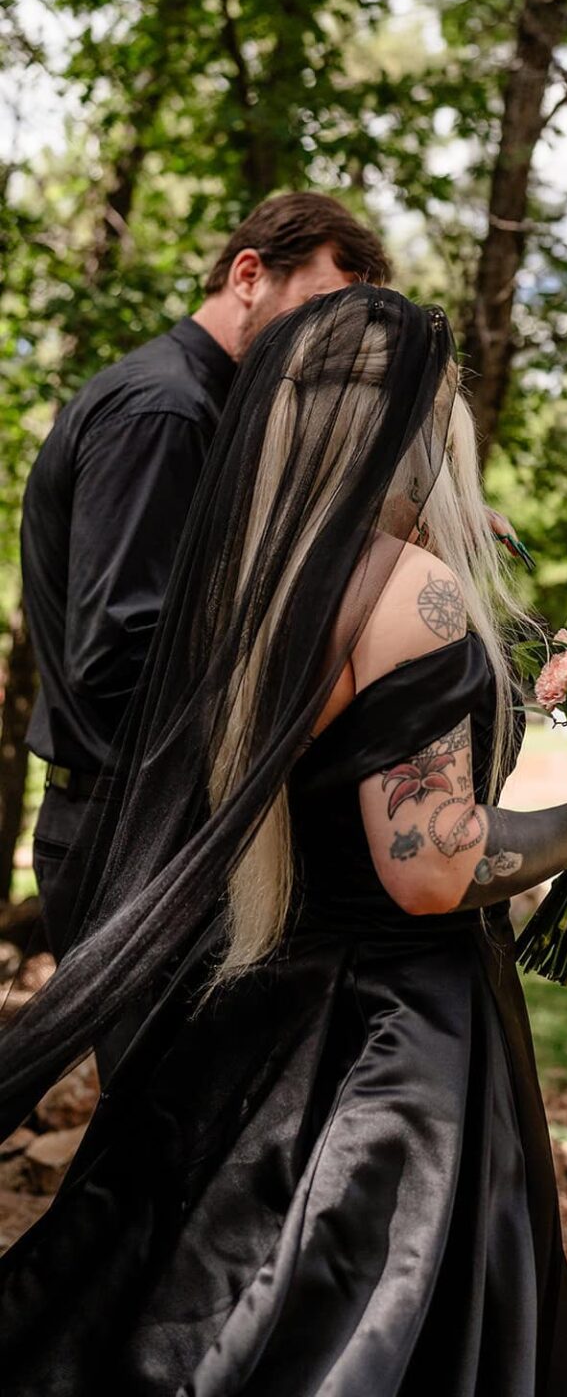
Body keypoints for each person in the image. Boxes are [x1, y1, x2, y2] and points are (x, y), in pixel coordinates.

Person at [0, 286, 567, 1394]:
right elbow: (432, 869)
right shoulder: (412, 595)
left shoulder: (251, 581)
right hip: (393, 1039)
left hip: (262, 1004)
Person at [21, 192, 391, 959]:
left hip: (154, 828)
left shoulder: (216, 410)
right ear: (248, 274)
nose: (324, 339)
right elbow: (119, 659)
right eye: (316, 306)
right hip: (125, 837)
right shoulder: (165, 413)